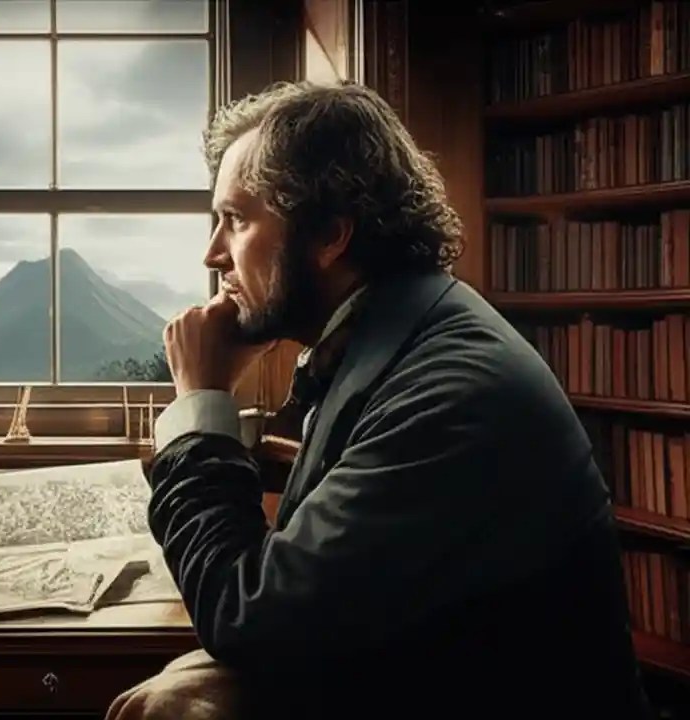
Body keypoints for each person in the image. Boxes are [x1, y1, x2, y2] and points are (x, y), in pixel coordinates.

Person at [107, 81, 652, 720]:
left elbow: (246, 616)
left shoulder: (452, 393)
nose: (213, 252)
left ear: (330, 234)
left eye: (236, 219)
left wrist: (201, 401)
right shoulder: (401, 331)